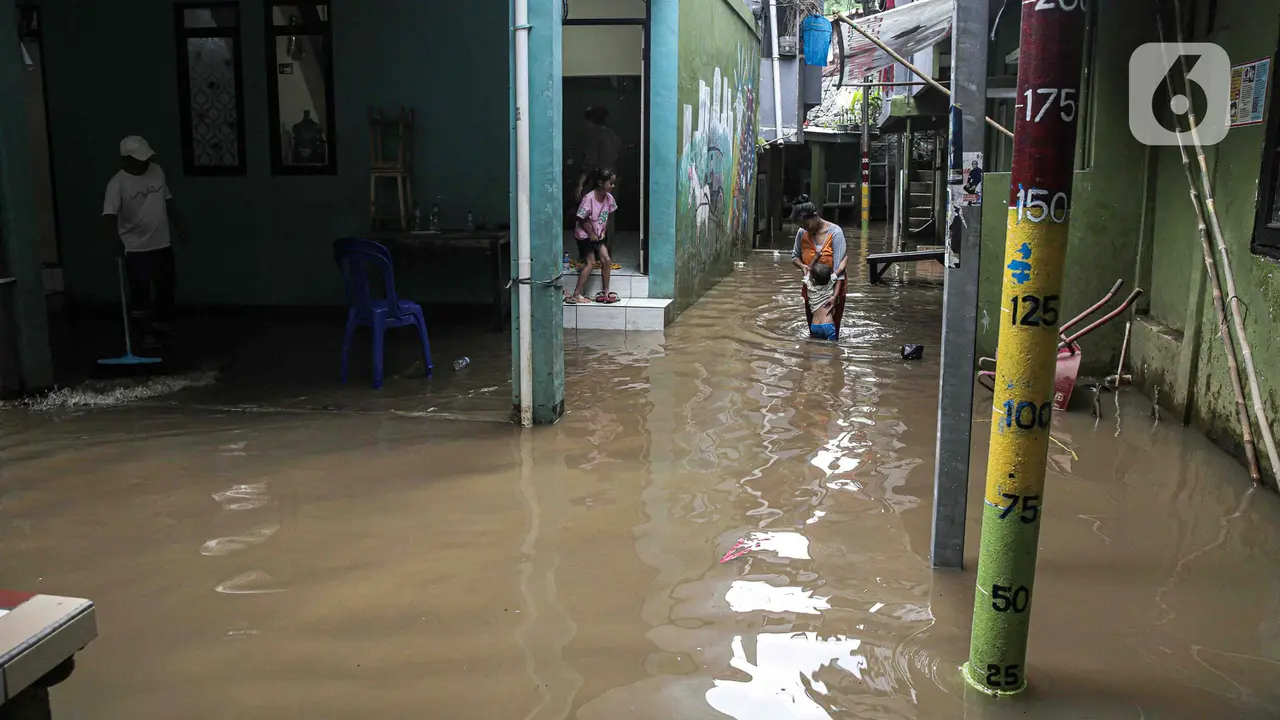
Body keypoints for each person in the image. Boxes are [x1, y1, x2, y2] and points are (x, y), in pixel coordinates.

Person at [102, 136, 188, 347]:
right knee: (140, 290)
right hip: (135, 246)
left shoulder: (157, 171)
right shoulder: (117, 183)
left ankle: (161, 324)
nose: (145, 161)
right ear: (128, 158)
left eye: (147, 157)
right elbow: (109, 215)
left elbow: (167, 200)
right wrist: (115, 240)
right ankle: (144, 332)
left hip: (161, 242)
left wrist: (179, 225)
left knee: (166, 285)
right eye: (140, 158)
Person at [791, 196, 848, 336]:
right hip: (812, 289)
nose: (805, 229)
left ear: (815, 216)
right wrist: (802, 266)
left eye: (807, 225)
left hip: (834, 289)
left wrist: (835, 296)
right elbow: (795, 256)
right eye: (802, 227)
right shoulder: (802, 232)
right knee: (813, 330)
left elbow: (839, 271)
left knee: (833, 329)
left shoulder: (835, 233)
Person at [566, 168, 619, 305]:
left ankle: (606, 291)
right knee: (591, 262)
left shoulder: (609, 198)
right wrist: (591, 234)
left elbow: (606, 216)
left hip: (598, 234)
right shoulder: (588, 198)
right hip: (584, 235)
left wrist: (603, 231)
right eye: (610, 183)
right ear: (601, 183)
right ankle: (576, 294)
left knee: (606, 259)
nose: (613, 186)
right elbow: (581, 218)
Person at [576, 106, 623, 241]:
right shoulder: (615, 137)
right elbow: (621, 162)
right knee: (607, 215)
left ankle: (591, 248)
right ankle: (606, 247)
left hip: (597, 182)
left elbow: (590, 161)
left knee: (587, 214)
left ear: (590, 120)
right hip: (612, 181)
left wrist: (580, 183)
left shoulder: (594, 135)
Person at [805, 260, 838, 341]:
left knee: (816, 346)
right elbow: (841, 269)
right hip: (828, 325)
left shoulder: (809, 286)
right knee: (832, 346)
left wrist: (816, 257)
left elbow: (807, 270)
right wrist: (845, 258)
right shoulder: (830, 283)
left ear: (812, 279)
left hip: (815, 326)